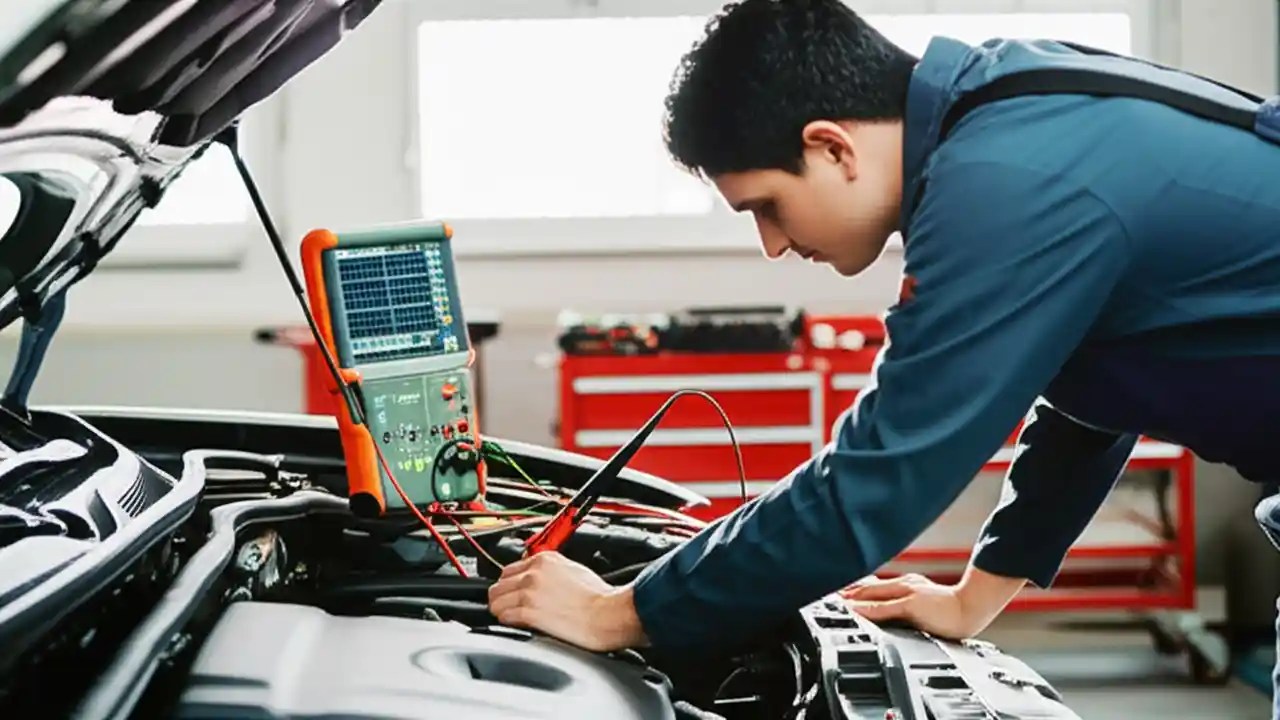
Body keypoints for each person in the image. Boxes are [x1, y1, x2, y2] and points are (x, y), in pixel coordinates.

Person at [488, 0, 1280, 711]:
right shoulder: (1007, 111)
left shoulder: (999, 184)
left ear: (831, 147)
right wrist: (975, 597)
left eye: (766, 205)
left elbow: (875, 479)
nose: (771, 244)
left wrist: (622, 613)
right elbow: (1087, 388)